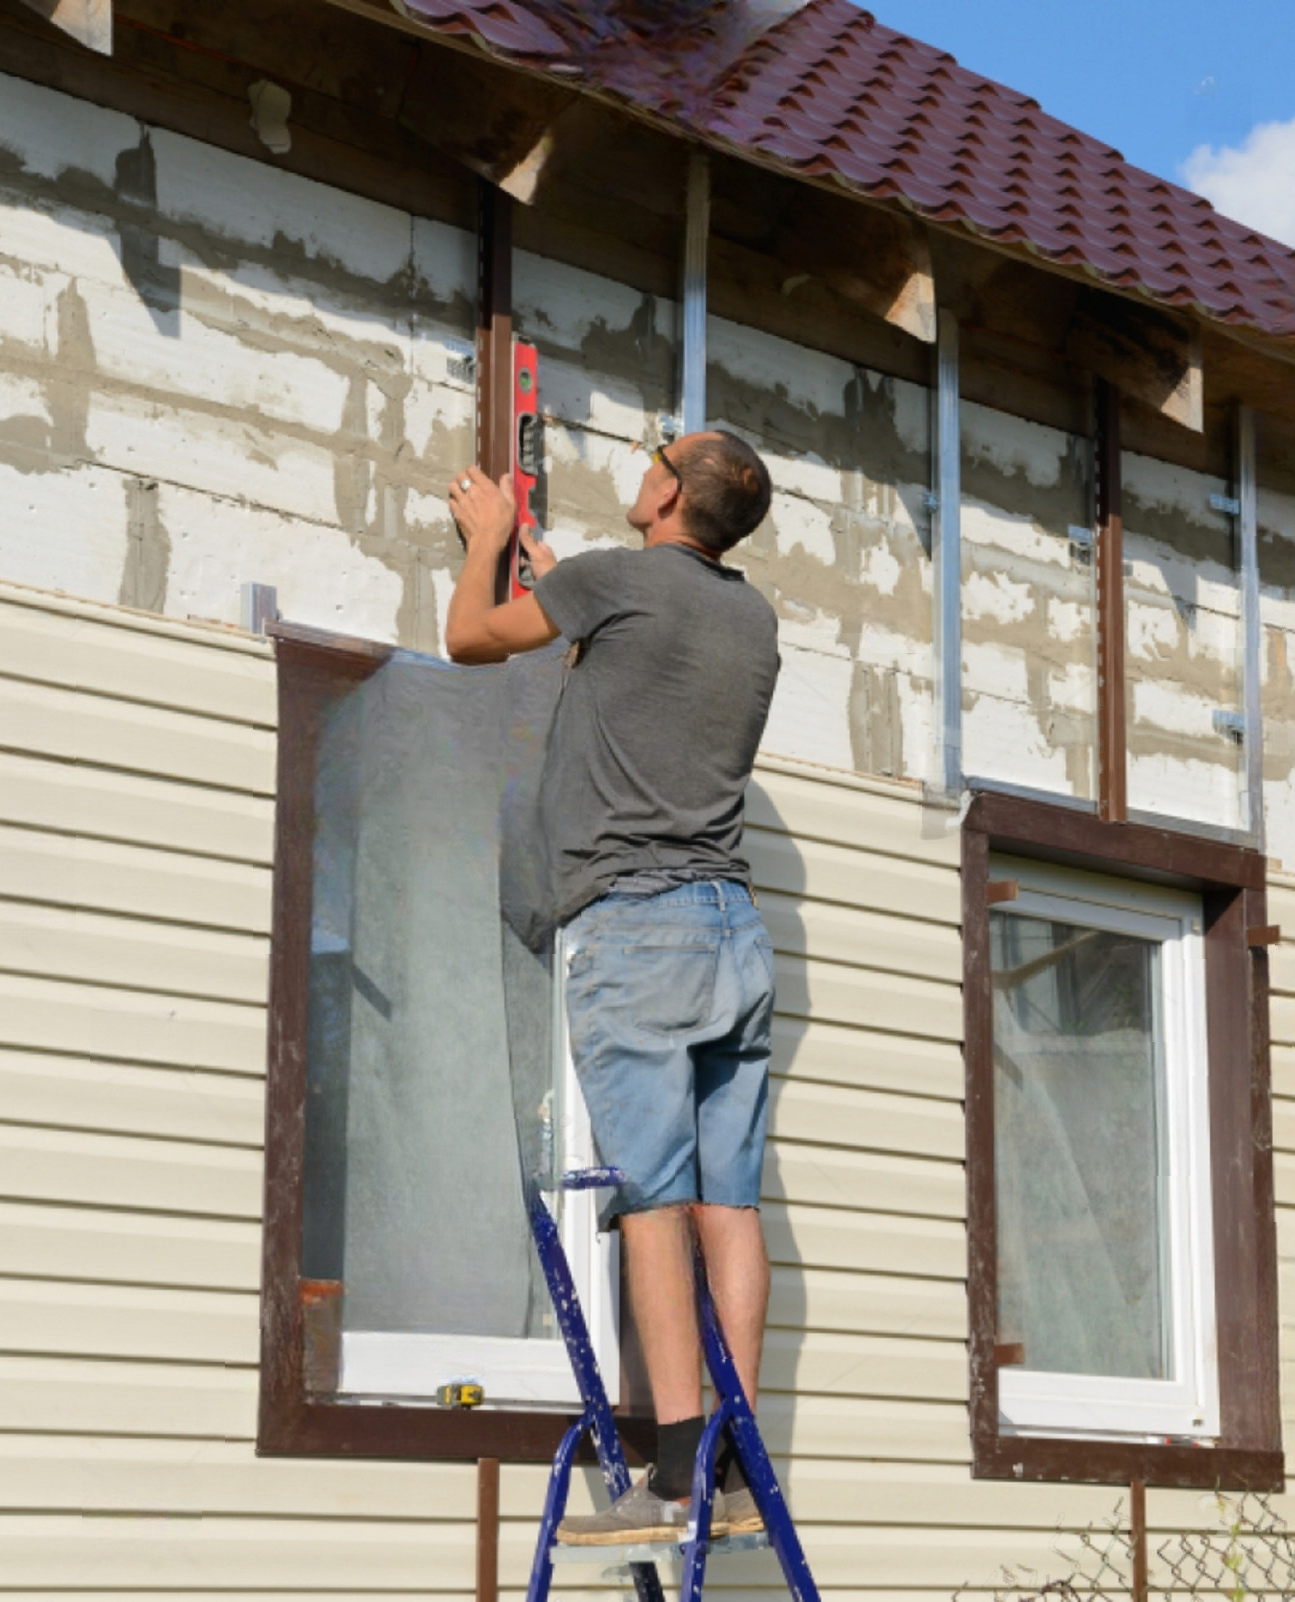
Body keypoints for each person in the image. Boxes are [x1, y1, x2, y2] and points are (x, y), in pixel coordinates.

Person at [444, 430, 782, 1544]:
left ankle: (675, 1476)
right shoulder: (751, 619)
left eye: (658, 457)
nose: (644, 465)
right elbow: (634, 666)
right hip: (733, 935)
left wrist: (491, 541)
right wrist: (563, 583)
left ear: (671, 492)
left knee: (653, 1202)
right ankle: (732, 1460)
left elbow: (470, 638)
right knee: (728, 1204)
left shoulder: (613, 582)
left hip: (636, 931)